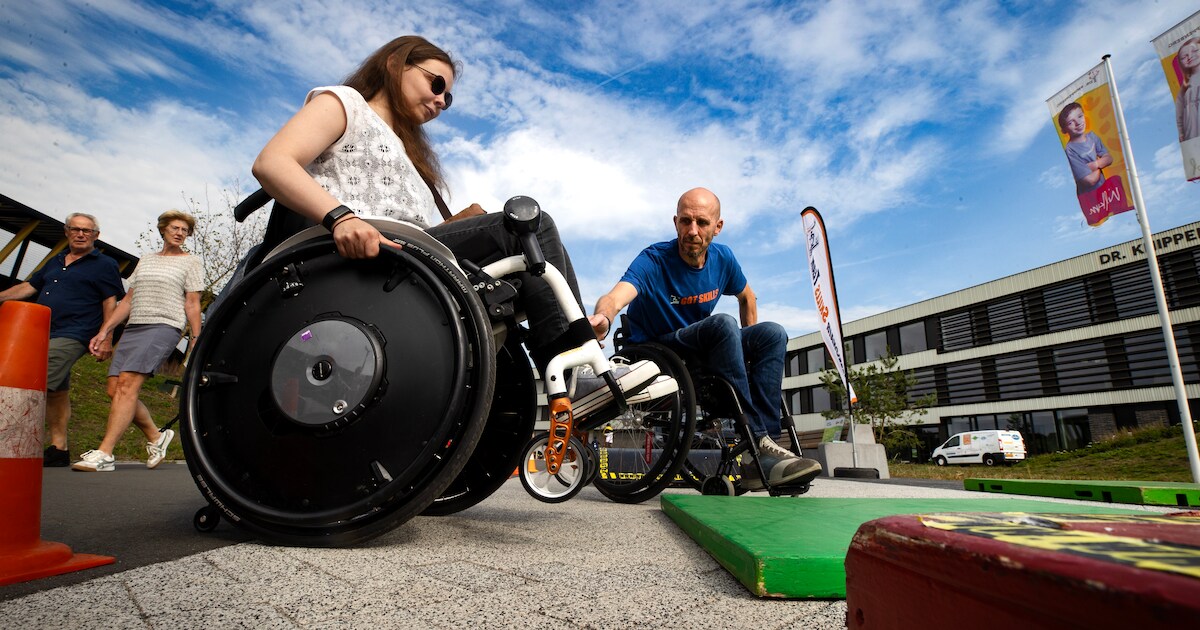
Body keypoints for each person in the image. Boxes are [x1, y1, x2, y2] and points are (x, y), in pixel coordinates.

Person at [248, 35, 657, 402]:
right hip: (355, 258)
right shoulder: (345, 103)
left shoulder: (408, 154)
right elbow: (273, 162)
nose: (442, 101)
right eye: (437, 84)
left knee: (529, 266)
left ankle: (573, 352)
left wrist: (459, 222)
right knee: (530, 222)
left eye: (449, 97)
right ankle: (573, 372)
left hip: (406, 259)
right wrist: (340, 218)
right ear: (395, 65)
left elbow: (406, 223)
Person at [588, 187, 822, 491]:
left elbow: (748, 297)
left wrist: (747, 348)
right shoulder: (655, 259)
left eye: (701, 222)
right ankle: (756, 442)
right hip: (658, 350)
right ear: (675, 223)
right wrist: (603, 318)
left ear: (718, 227)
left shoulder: (723, 259)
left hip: (700, 348)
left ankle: (765, 449)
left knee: (772, 333)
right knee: (723, 324)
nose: (693, 231)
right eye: (685, 221)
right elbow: (616, 296)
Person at [71, 210, 203, 472]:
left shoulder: (191, 262)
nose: (179, 233)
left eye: (185, 231)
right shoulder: (146, 260)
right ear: (163, 229)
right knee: (114, 389)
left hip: (164, 326)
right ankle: (157, 436)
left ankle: (105, 453)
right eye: (175, 228)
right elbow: (128, 301)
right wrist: (104, 330)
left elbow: (192, 303)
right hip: (134, 327)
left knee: (127, 386)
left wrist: (196, 339)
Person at [0, 213, 125, 467]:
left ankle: (12, 443)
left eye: (87, 231)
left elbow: (110, 300)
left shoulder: (105, 264)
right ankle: (59, 449)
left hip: (75, 333)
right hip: (41, 331)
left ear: (96, 236)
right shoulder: (55, 261)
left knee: (35, 379)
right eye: (76, 229)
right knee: (57, 391)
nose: (81, 234)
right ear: (66, 232)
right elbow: (29, 287)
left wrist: (106, 337)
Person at [1056, 102, 1112, 195]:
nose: (1078, 123)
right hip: (1090, 197)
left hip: (1104, 189)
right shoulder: (1070, 150)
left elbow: (1109, 158)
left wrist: (1095, 164)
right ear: (1064, 130)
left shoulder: (1092, 136)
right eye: (1070, 122)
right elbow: (1090, 180)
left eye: (1080, 116)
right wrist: (1102, 162)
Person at [1175, 37, 1200, 143]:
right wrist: (1181, 132)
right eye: (1183, 57)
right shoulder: (1185, 88)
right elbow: (1179, 113)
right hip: (1194, 134)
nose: (1190, 56)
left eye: (1194, 51)